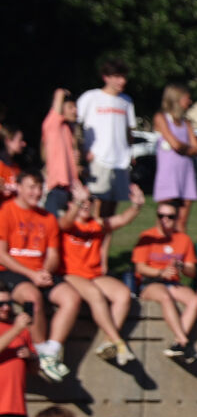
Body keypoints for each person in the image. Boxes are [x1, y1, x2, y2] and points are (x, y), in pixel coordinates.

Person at [50, 183, 144, 369]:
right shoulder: (66, 224)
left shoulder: (97, 224)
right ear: (71, 204)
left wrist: (137, 206)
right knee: (94, 294)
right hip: (70, 274)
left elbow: (121, 220)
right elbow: (65, 222)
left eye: (89, 201)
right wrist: (78, 202)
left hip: (92, 275)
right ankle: (119, 342)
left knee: (123, 294)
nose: (86, 205)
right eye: (81, 202)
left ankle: (108, 341)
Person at [0, 169, 64, 376]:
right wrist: (31, 274)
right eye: (31, 187)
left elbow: (53, 254)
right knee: (32, 296)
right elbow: (1, 254)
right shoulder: (6, 212)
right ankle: (41, 352)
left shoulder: (48, 218)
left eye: (39, 188)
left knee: (71, 297)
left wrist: (46, 271)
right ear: (18, 187)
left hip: (40, 272)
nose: (37, 192)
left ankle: (52, 350)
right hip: (13, 272)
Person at [131, 197, 197, 361]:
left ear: (177, 218)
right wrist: (160, 272)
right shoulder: (147, 237)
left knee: (194, 300)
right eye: (160, 216)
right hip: (151, 283)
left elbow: (191, 271)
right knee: (164, 296)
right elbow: (140, 268)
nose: (164, 220)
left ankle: (178, 343)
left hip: (173, 282)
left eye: (170, 217)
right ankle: (184, 341)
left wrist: (180, 266)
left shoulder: (184, 240)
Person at [76, 60, 135, 216]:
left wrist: (130, 153)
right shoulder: (91, 97)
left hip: (120, 162)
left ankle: (106, 241)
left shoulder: (126, 101)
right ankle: (94, 239)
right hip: (98, 160)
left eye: (123, 77)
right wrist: (81, 150)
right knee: (95, 205)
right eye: (117, 76)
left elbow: (129, 131)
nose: (122, 81)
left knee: (112, 209)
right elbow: (75, 125)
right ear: (106, 77)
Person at [152, 82, 197, 234]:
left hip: (186, 174)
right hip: (168, 175)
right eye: (187, 98)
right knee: (165, 218)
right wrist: (188, 149)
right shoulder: (161, 118)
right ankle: (160, 252)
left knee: (182, 221)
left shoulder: (186, 123)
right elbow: (175, 144)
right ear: (177, 99)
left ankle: (180, 251)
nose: (190, 102)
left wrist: (185, 148)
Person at [0, 284, 35, 417]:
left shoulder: (23, 331)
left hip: (16, 408)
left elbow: (35, 370)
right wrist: (16, 328)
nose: (6, 307)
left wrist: (31, 358)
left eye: (8, 303)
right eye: (1, 304)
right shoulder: (17, 329)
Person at [40, 87, 81, 217]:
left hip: (68, 190)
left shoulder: (68, 130)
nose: (75, 111)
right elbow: (58, 94)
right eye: (71, 107)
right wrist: (63, 93)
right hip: (55, 189)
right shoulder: (53, 125)